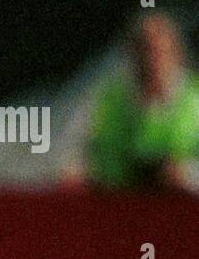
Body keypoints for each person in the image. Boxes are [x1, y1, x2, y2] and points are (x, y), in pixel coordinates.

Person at [67, 13, 199, 191]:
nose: (152, 59)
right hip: (124, 203)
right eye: (145, 49)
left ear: (176, 52)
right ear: (132, 53)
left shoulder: (195, 97)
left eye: (160, 50)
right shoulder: (112, 100)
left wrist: (187, 174)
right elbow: (93, 158)